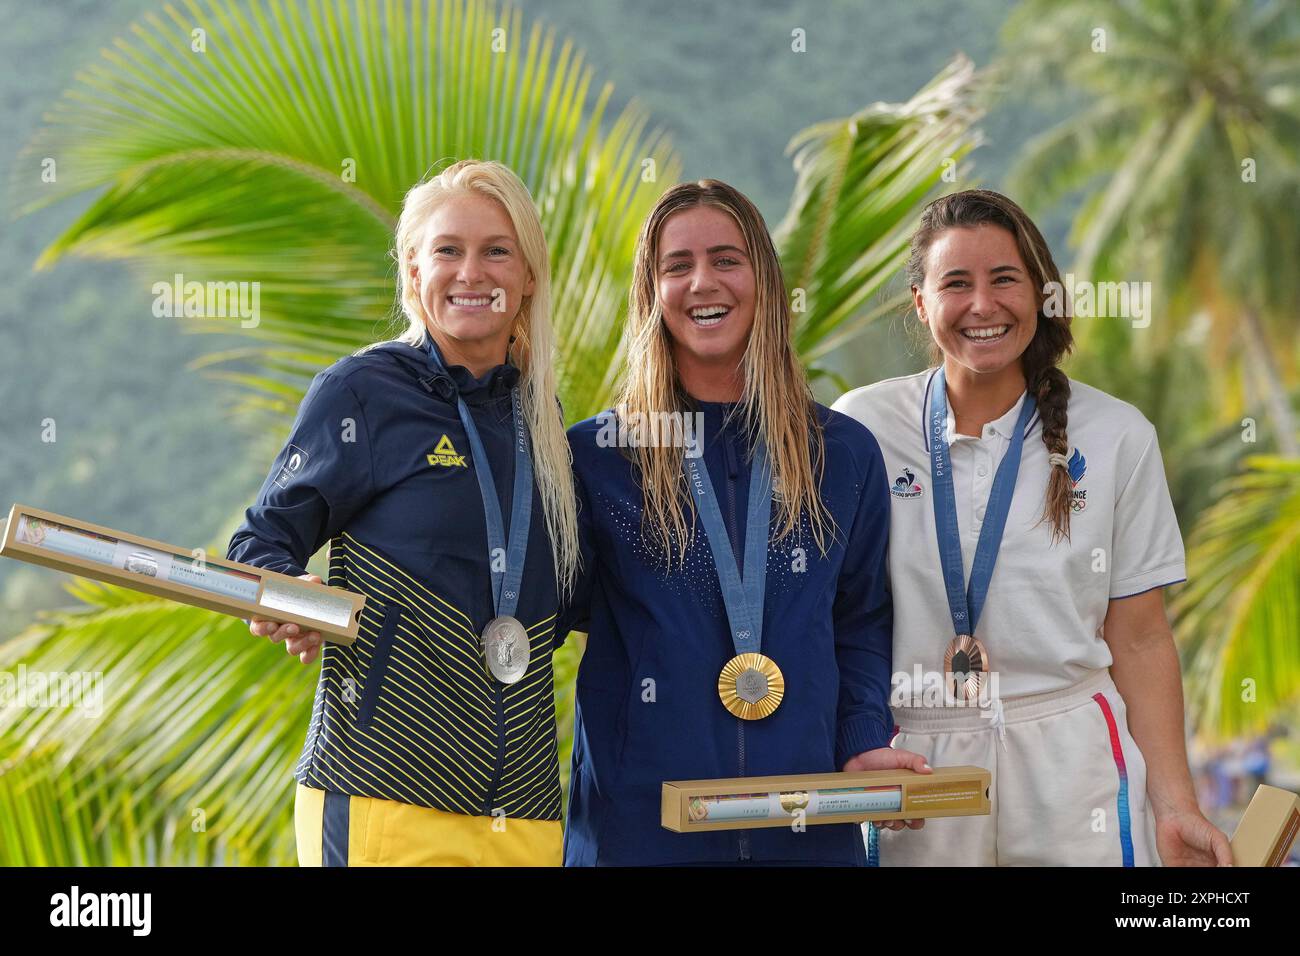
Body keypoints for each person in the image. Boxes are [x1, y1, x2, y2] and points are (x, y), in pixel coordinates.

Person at [833, 189, 1232, 866]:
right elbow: (837, 616)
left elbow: (1139, 641)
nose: (982, 305)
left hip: (1073, 760)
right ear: (922, 303)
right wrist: (850, 745)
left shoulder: (1116, 435)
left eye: (1005, 279)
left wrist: (1176, 804)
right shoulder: (863, 428)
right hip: (916, 761)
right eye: (956, 283)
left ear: (1043, 295)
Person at [559, 179, 929, 867]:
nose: (704, 282)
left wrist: (862, 738)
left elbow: (860, 622)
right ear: (652, 292)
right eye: (678, 265)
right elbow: (540, 611)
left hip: (807, 832)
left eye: (727, 260)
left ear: (763, 279)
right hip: (636, 835)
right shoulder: (597, 457)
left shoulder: (841, 454)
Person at [227, 159, 579, 866]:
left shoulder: (541, 420)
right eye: (448, 250)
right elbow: (259, 545)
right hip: (384, 796)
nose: (472, 273)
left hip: (528, 815)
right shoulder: (363, 392)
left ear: (529, 277)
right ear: (414, 271)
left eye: (497, 251)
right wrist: (290, 600)